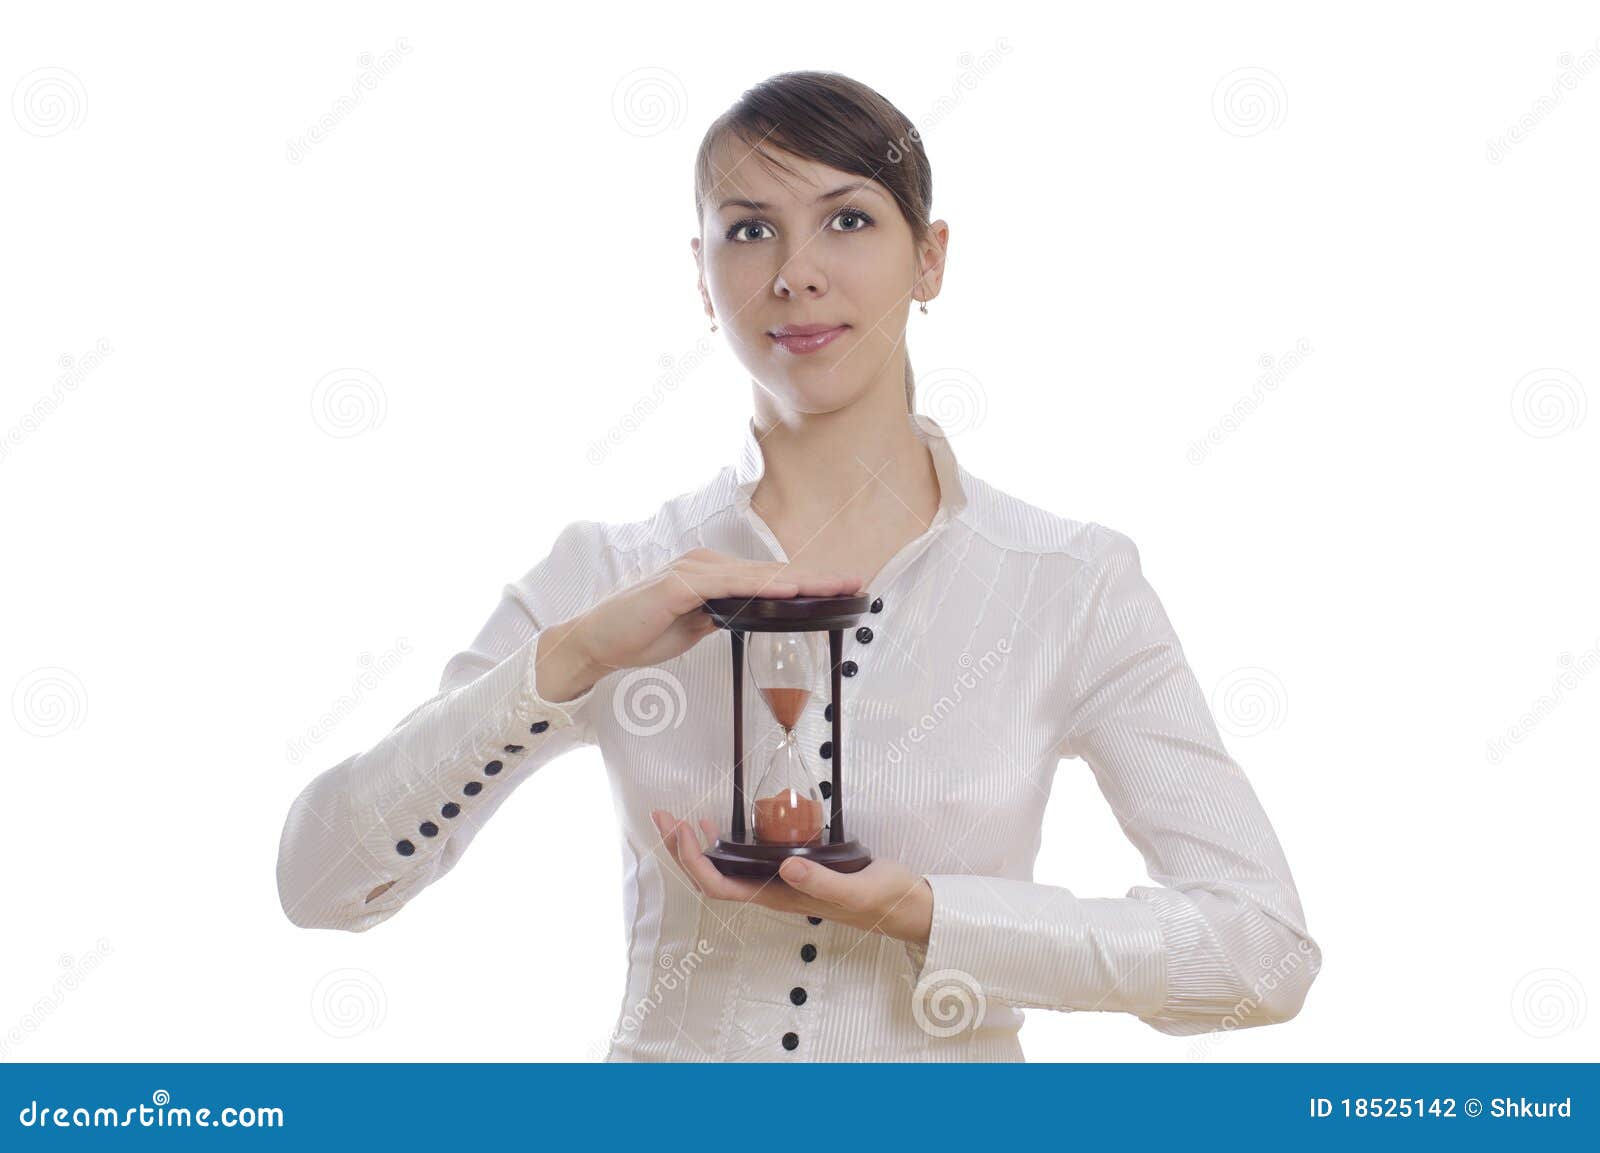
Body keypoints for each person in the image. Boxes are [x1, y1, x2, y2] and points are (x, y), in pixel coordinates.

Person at [275, 70, 1321, 1061]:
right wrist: (573, 658)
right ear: (700, 274)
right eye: (749, 230)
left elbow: (1260, 953)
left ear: (931, 259)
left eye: (849, 219)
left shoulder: (1069, 582)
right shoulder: (613, 571)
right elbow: (321, 883)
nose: (796, 271)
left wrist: (928, 912)